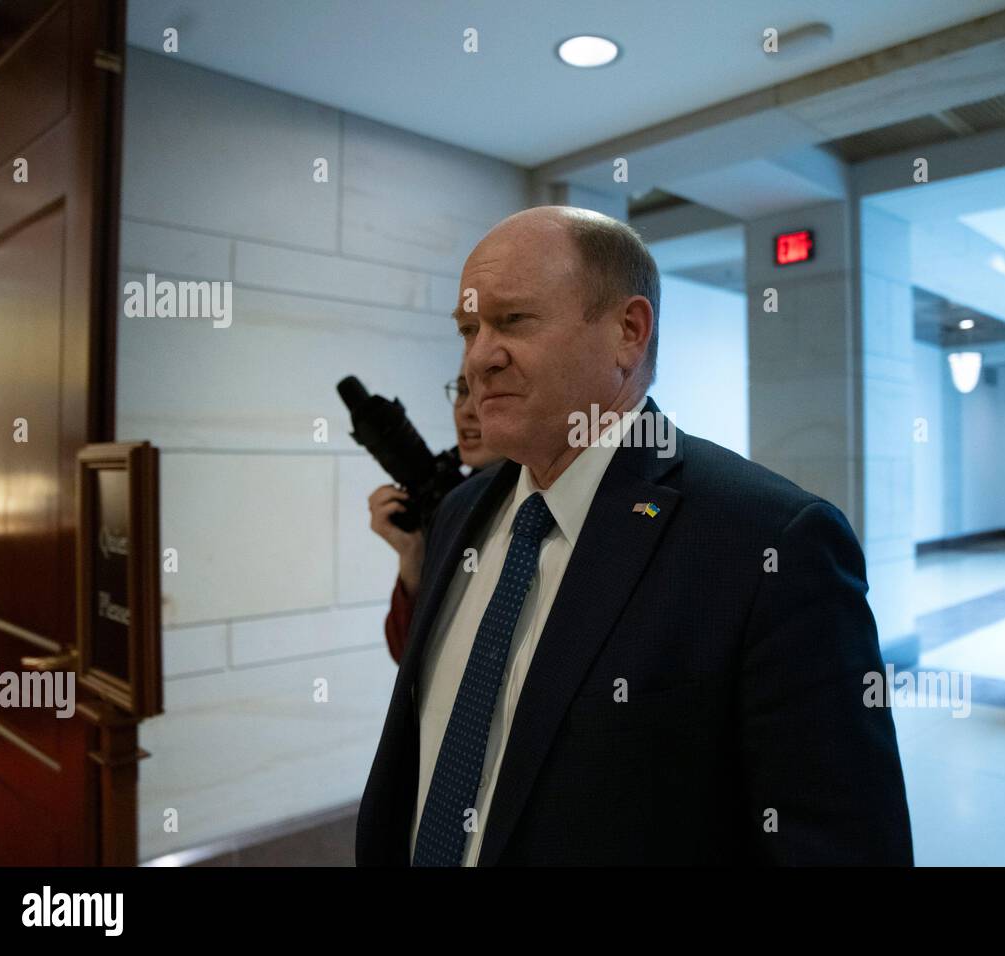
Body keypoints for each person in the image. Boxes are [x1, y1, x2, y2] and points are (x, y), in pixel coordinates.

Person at [357, 205, 913, 866]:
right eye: (468, 328)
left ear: (628, 331)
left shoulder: (770, 543)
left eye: (512, 321)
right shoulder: (460, 513)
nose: (479, 358)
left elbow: (839, 845)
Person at [368, 367, 502, 663]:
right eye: (462, 391)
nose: (466, 411)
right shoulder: (461, 497)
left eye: (486, 393)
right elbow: (409, 657)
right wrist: (412, 557)